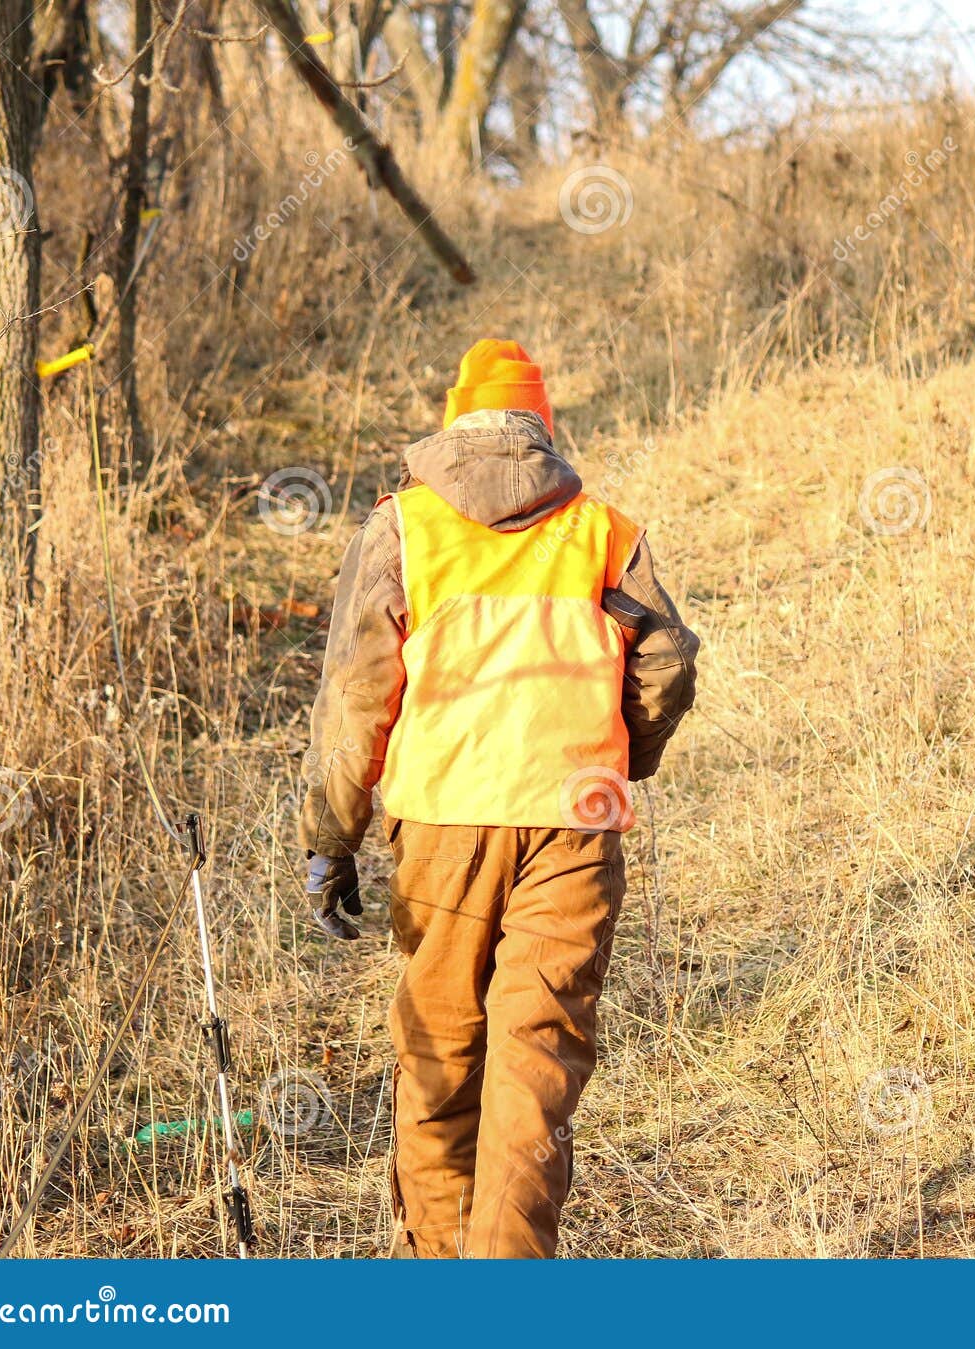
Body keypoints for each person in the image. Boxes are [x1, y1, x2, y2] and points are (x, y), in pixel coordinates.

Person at [297, 339, 699, 1257]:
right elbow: (668, 663)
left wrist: (334, 834)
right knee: (534, 1068)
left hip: (441, 828)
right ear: (541, 427)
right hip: (574, 830)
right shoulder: (604, 530)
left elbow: (358, 698)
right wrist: (616, 754)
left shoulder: (403, 527)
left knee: (440, 1065)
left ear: (455, 422)